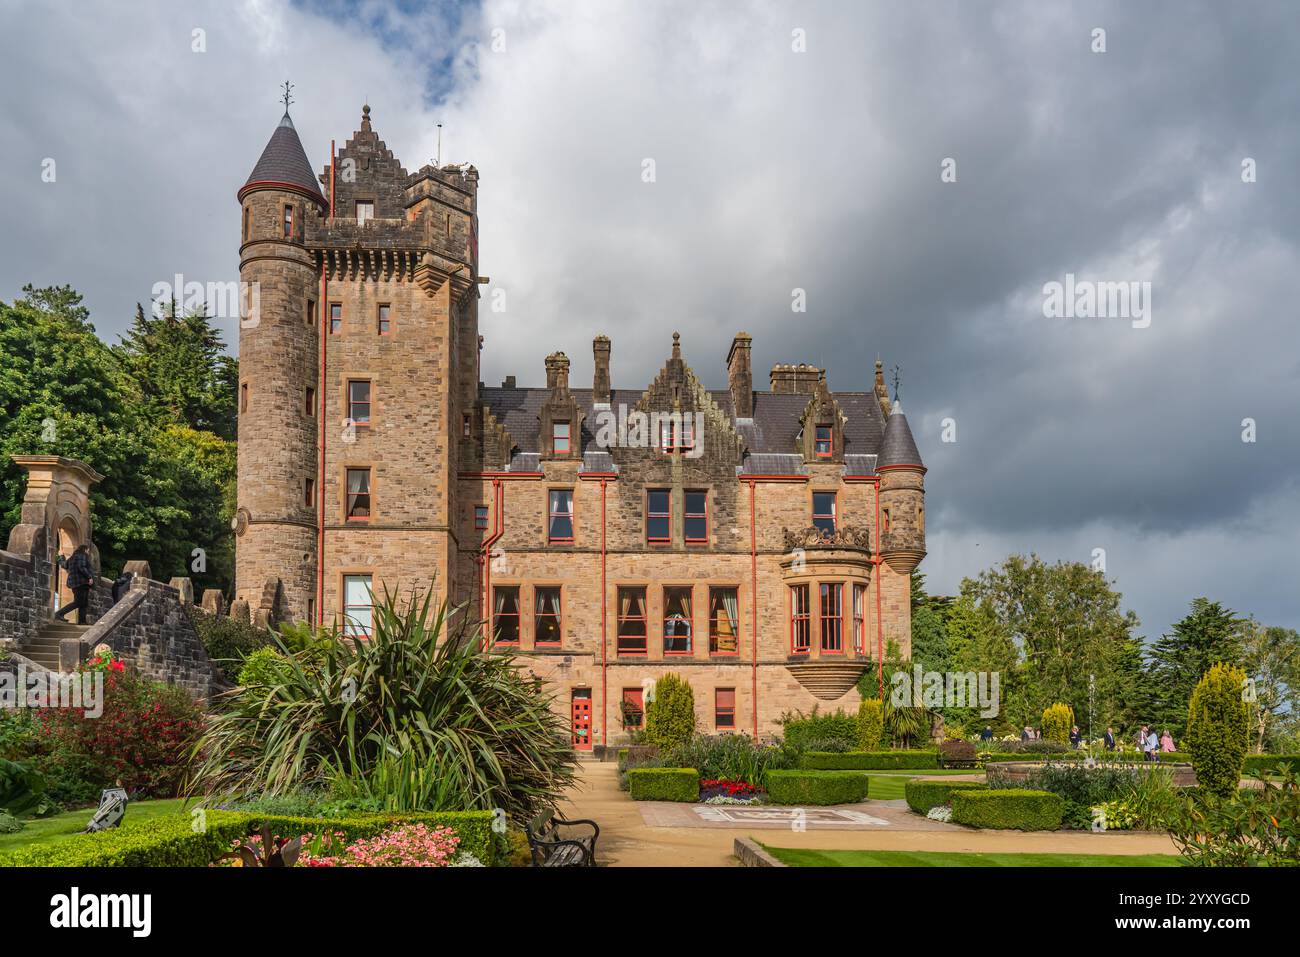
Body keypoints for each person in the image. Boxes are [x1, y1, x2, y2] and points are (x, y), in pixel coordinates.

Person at [53, 544, 94, 625]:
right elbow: (81, 567)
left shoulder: (72, 558)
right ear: (85, 549)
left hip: (75, 584)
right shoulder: (82, 555)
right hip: (81, 583)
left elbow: (64, 565)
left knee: (84, 603)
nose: (88, 553)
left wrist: (61, 556)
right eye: (88, 551)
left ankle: (82, 621)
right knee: (78, 602)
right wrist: (89, 577)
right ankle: (59, 613)